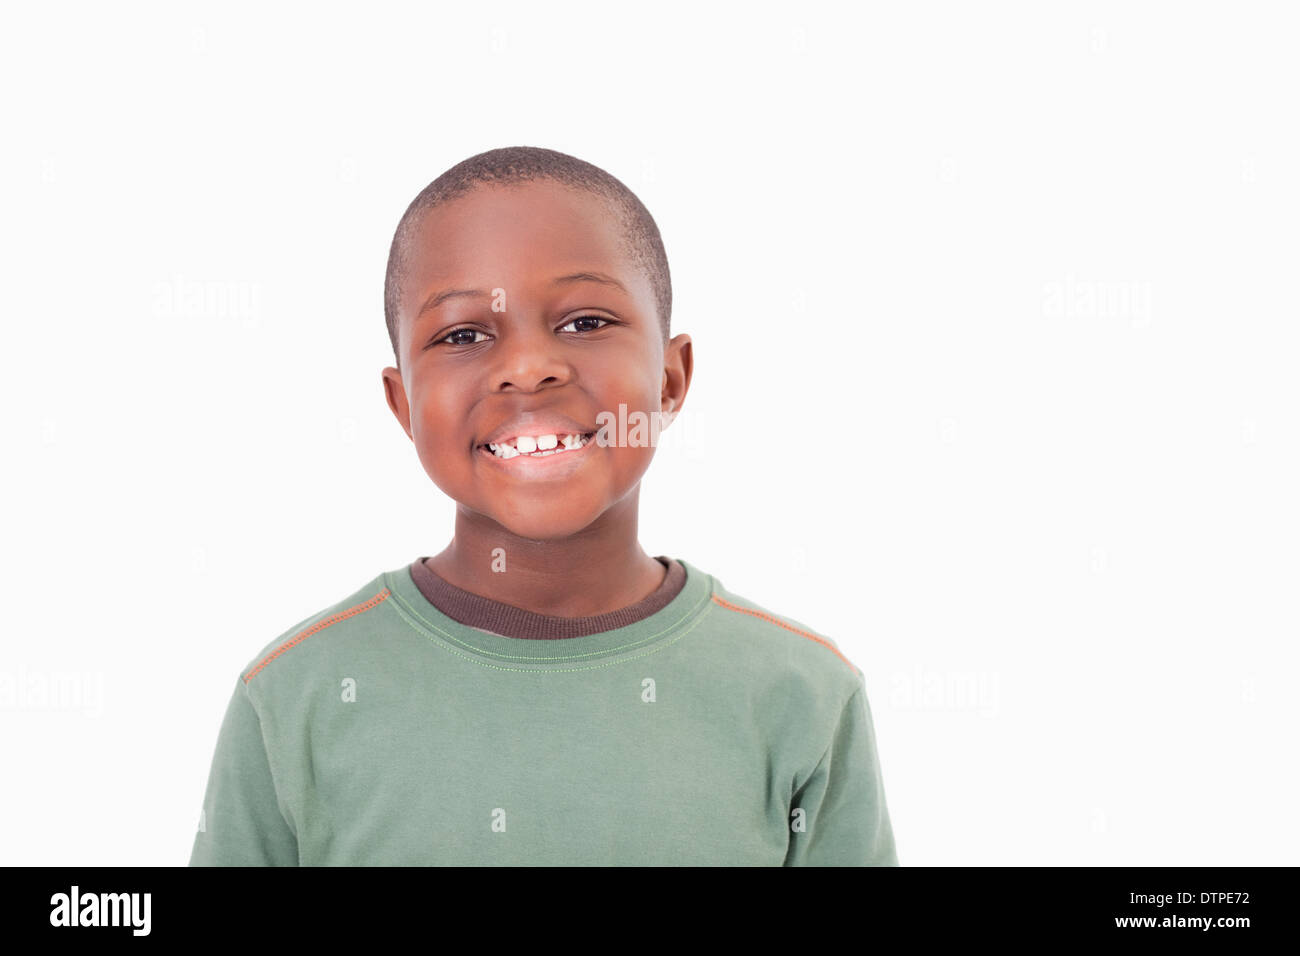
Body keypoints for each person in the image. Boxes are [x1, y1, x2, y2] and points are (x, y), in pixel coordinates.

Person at [188, 146, 898, 866]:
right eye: (463, 335)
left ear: (671, 379)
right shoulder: (292, 701)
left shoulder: (802, 697)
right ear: (404, 405)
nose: (528, 367)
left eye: (585, 322)